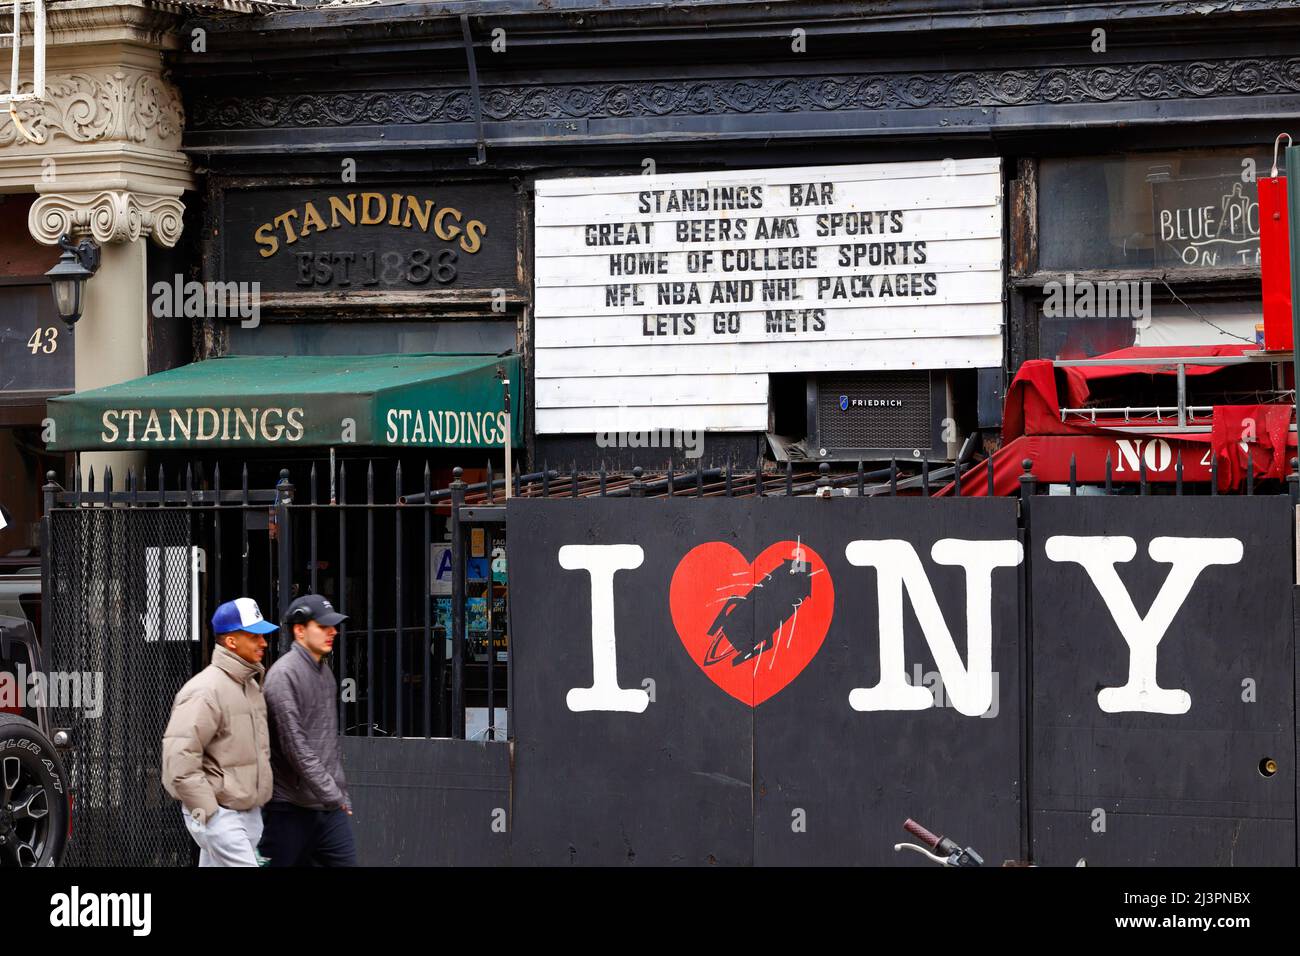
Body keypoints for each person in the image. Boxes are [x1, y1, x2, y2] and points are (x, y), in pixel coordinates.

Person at [161, 597, 277, 866]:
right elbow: (178, 763)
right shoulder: (205, 690)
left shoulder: (250, 686)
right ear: (231, 641)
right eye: (254, 636)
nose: (263, 643)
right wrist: (210, 814)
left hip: (246, 812)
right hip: (220, 813)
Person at [259, 593, 357, 866]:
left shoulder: (325, 673)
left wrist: (339, 793)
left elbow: (328, 742)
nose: (333, 632)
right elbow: (296, 747)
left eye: (333, 626)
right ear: (300, 631)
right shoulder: (283, 676)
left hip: (326, 808)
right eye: (323, 626)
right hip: (288, 808)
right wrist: (334, 794)